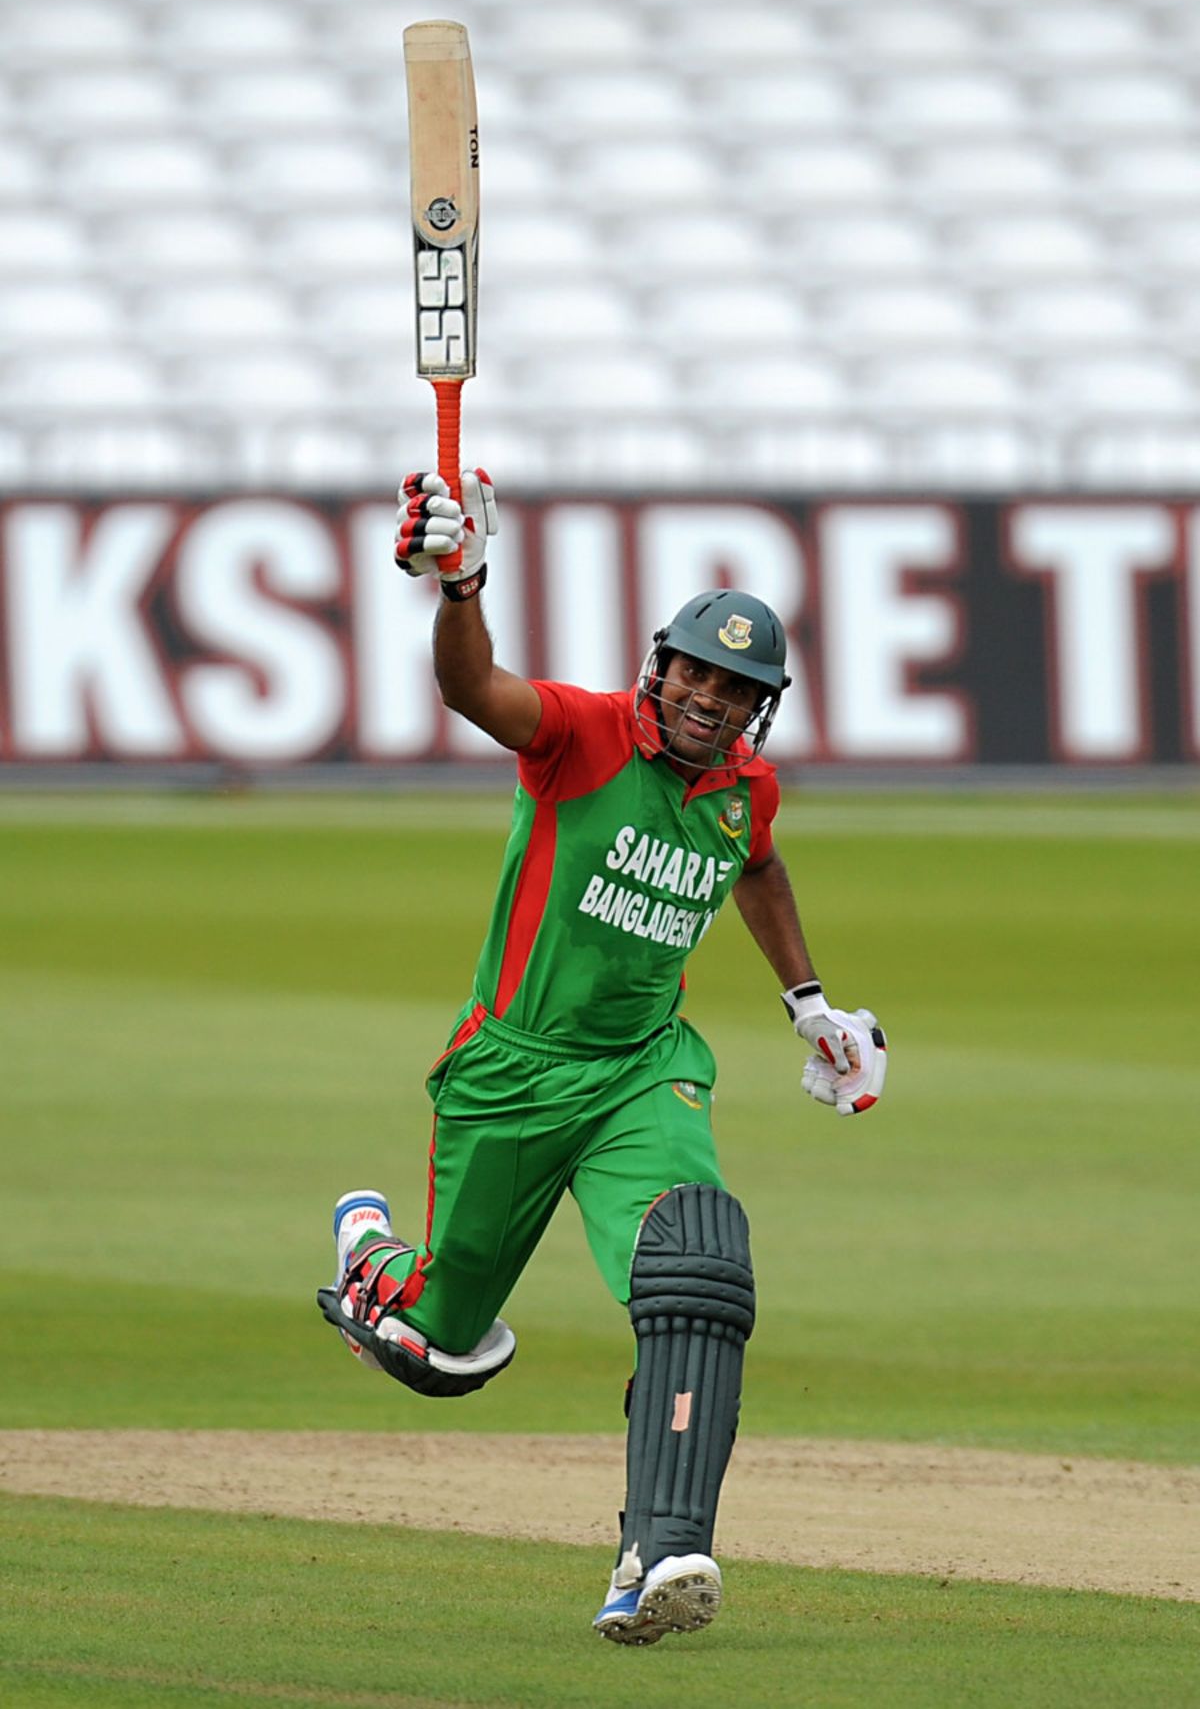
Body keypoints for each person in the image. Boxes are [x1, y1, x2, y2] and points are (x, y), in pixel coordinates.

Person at [317, 468, 887, 1646]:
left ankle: (658, 1549)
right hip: (511, 1074)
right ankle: (375, 1258)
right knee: (439, 1343)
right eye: (698, 674)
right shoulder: (579, 737)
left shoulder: (744, 789)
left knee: (698, 1271)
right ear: (659, 668)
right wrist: (462, 587)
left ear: (760, 708)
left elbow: (759, 865)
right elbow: (470, 686)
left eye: (739, 690)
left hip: (643, 1069)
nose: (712, 700)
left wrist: (809, 1002)